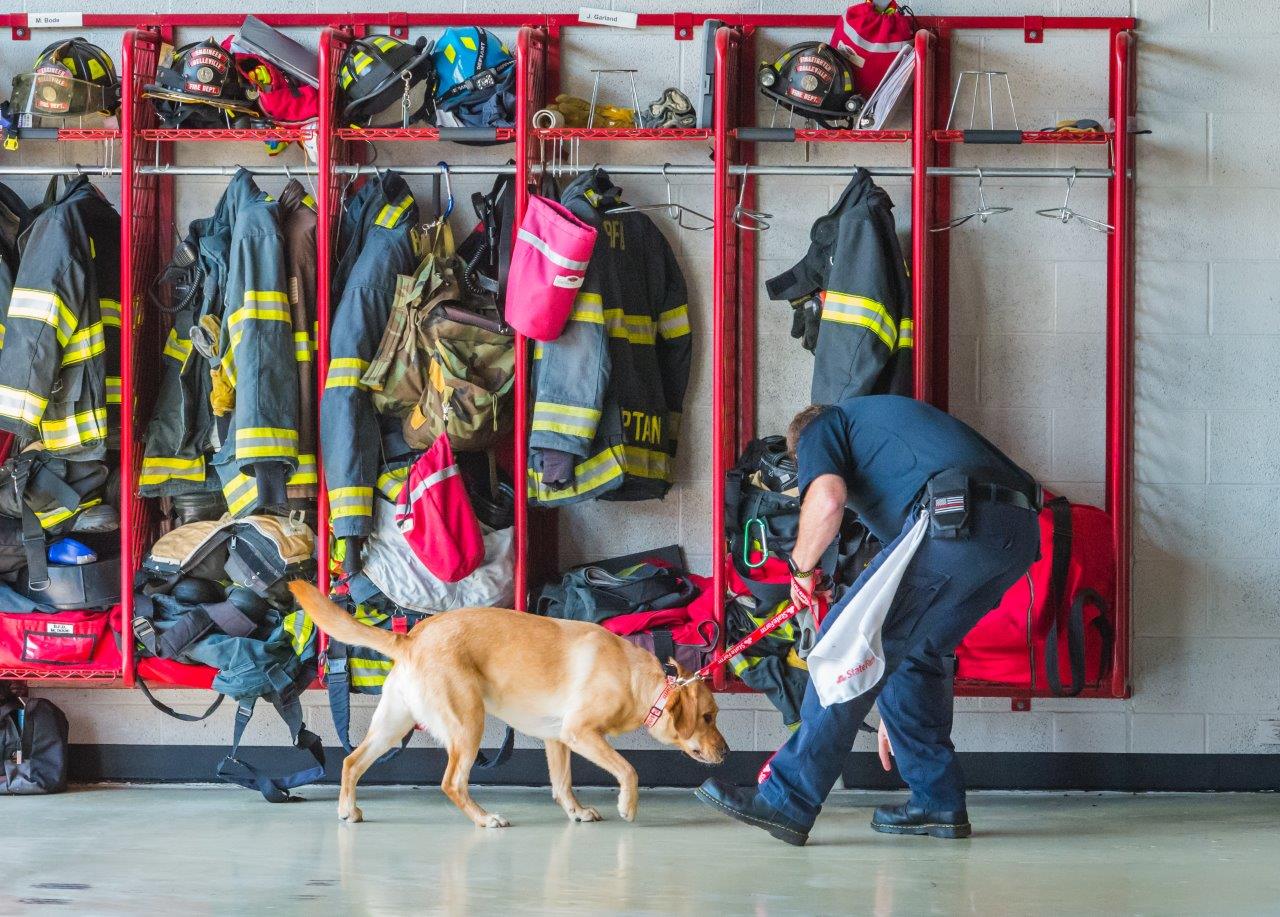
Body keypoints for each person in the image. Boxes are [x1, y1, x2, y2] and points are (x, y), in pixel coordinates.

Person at [696, 395, 1042, 846]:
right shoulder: (888, 443)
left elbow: (826, 500)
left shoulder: (823, 428)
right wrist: (894, 719)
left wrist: (800, 571)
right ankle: (936, 801)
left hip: (955, 517)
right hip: (1016, 534)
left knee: (844, 645)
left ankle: (787, 798)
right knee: (917, 654)